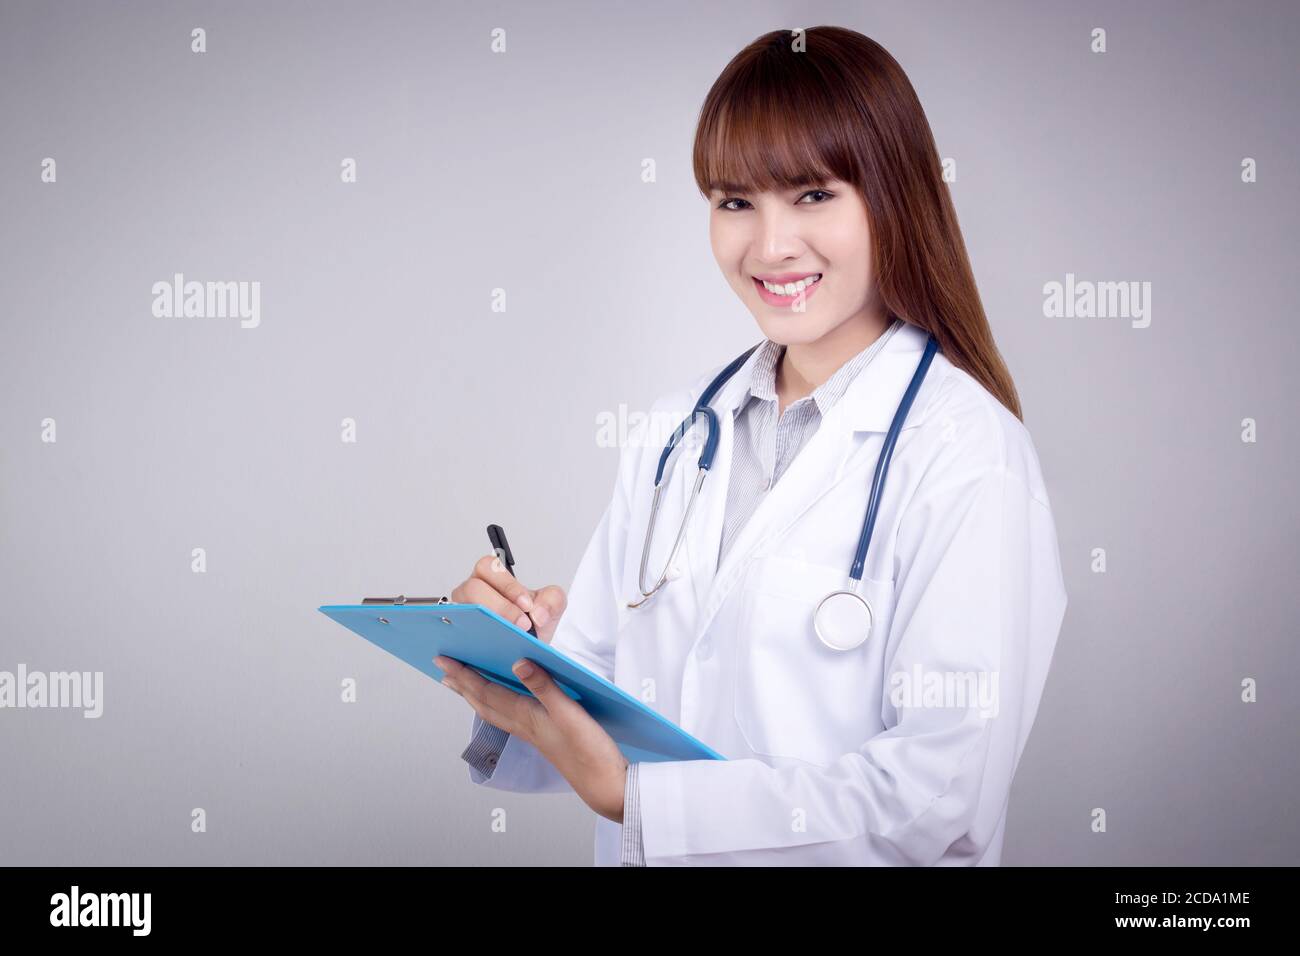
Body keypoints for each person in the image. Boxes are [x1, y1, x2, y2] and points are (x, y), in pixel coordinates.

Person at [435, 25, 1067, 866]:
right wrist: (520, 662)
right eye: (735, 201)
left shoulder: (967, 453)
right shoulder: (673, 433)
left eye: (813, 195)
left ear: (896, 197)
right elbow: (607, 703)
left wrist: (638, 799)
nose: (769, 247)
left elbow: (938, 796)